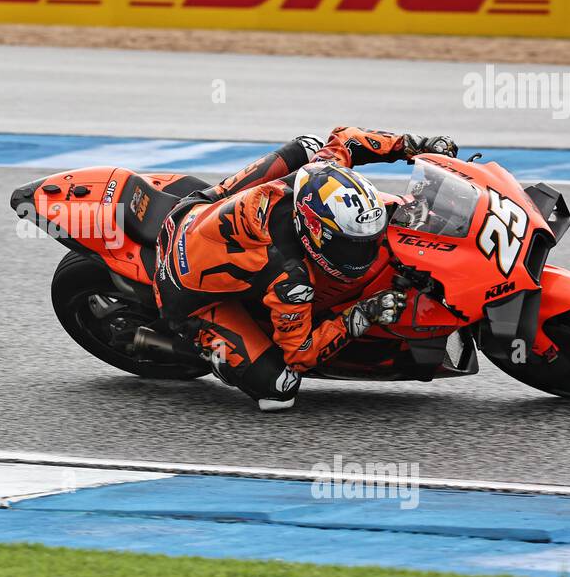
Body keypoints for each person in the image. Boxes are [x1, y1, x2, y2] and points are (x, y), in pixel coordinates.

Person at [153, 127, 459, 411]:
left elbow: (348, 139)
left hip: (200, 207)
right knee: (279, 388)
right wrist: (362, 314)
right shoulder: (290, 278)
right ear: (313, 230)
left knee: (309, 145)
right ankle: (192, 343)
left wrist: (412, 146)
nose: (365, 252)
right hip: (182, 289)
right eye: (351, 245)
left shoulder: (319, 174)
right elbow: (300, 354)